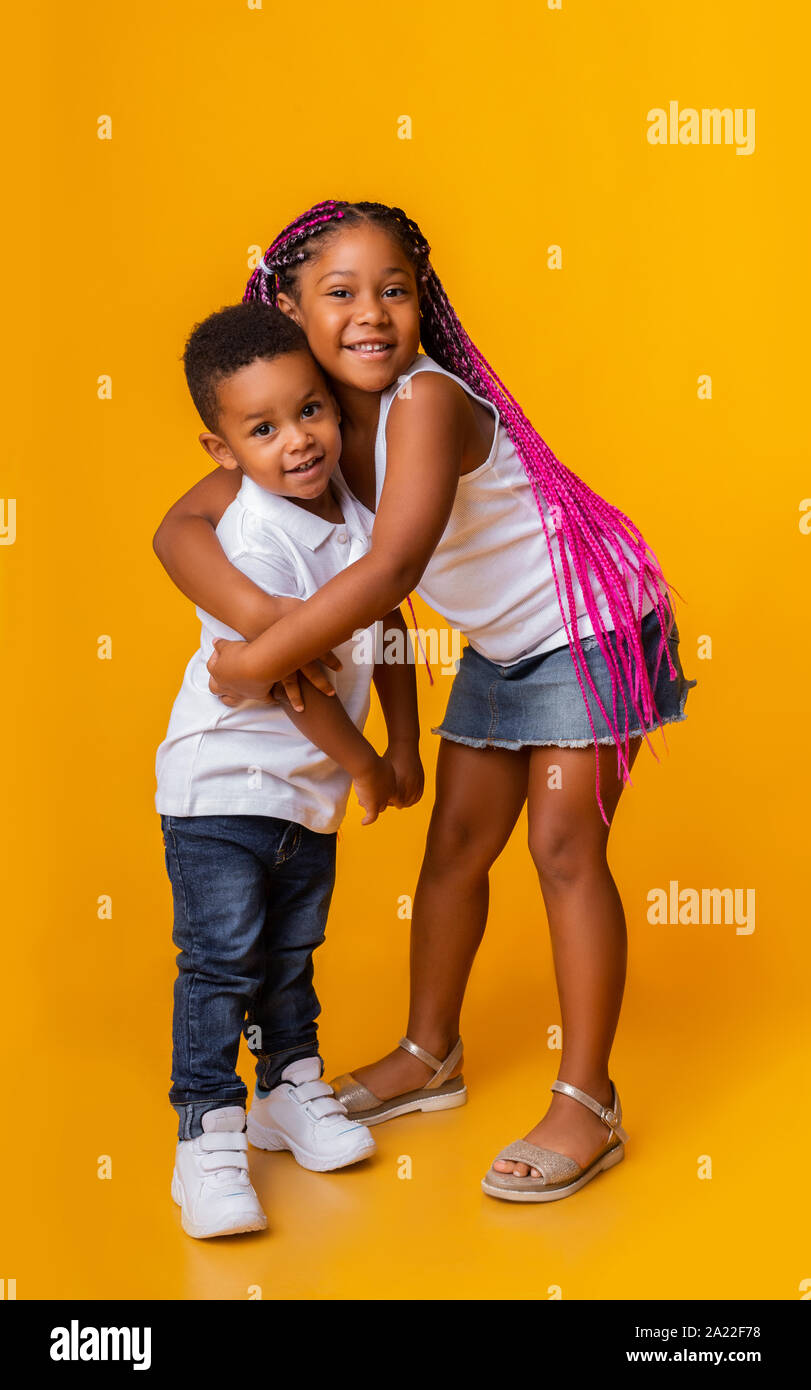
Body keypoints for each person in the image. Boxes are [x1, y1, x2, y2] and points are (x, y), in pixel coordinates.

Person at [153, 200, 697, 1205]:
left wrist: (257, 655)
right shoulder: (307, 422)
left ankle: (588, 1097)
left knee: (562, 846)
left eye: (394, 291)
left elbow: (394, 565)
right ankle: (426, 1051)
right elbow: (183, 522)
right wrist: (256, 613)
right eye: (340, 294)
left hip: (592, 622)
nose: (372, 315)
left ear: (423, 303)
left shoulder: (424, 404)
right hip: (505, 640)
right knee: (453, 847)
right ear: (287, 307)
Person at [155, 299, 423, 1238]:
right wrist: (367, 771)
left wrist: (403, 743)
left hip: (299, 797)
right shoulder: (256, 540)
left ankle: (288, 1092)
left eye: (310, 411)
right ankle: (207, 1134)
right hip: (222, 790)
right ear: (221, 450)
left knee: (291, 956)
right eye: (263, 429)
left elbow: (392, 626)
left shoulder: (355, 507)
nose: (298, 441)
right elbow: (293, 685)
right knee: (222, 963)